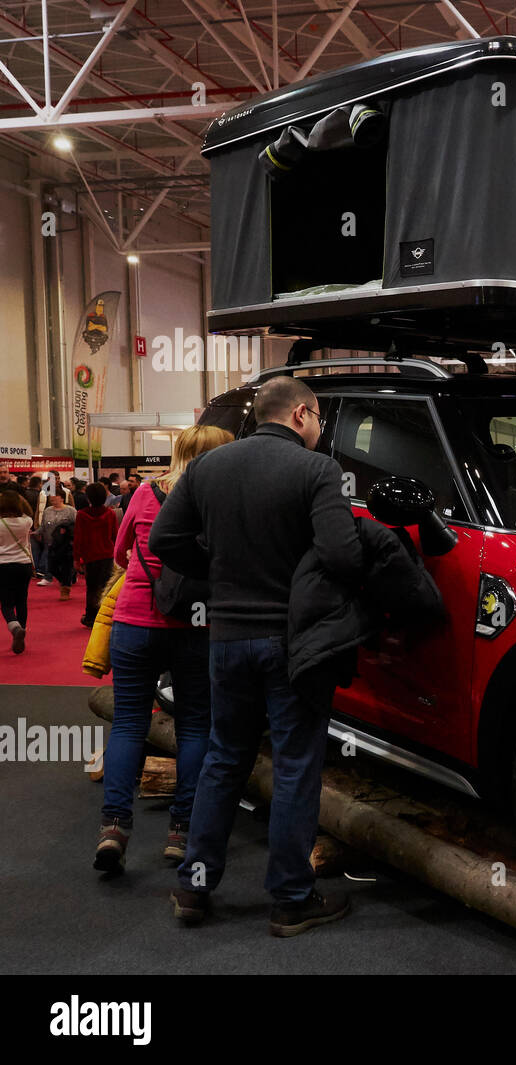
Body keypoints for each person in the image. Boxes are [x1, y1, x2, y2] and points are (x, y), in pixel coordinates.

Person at [151, 376, 364, 936]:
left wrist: (217, 571)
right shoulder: (316, 471)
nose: (320, 430)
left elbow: (163, 542)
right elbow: (343, 554)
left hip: (225, 637)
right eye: (318, 419)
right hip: (293, 642)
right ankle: (291, 899)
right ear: (300, 415)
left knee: (225, 757)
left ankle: (194, 886)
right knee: (295, 764)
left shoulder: (207, 467)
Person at [93, 425, 233, 874]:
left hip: (135, 618)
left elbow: (120, 553)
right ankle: (181, 832)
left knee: (130, 723)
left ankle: (114, 828)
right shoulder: (225, 502)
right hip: (198, 623)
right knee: (195, 726)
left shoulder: (145, 493)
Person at [74, 481, 120, 627]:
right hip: (107, 555)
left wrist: (76, 559)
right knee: (107, 586)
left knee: (92, 587)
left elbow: (78, 538)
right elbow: (115, 536)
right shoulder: (110, 514)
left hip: (90, 556)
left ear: (88, 498)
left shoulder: (81, 515)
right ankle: (107, 615)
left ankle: (90, 616)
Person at [0, 490, 35, 654]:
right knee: (22, 600)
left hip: (3, 565)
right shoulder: (27, 521)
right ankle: (22, 631)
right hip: (24, 564)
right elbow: (29, 511)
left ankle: (14, 628)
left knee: (6, 603)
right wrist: (21, 500)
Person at [39, 491, 77, 600]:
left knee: (66, 567)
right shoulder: (47, 510)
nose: (52, 498)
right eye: (51, 496)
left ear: (61, 498)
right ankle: (67, 579)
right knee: (52, 567)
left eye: (55, 496)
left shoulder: (71, 510)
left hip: (67, 544)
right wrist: (36, 533)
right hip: (51, 543)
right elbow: (43, 526)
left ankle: (65, 589)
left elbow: (77, 526)